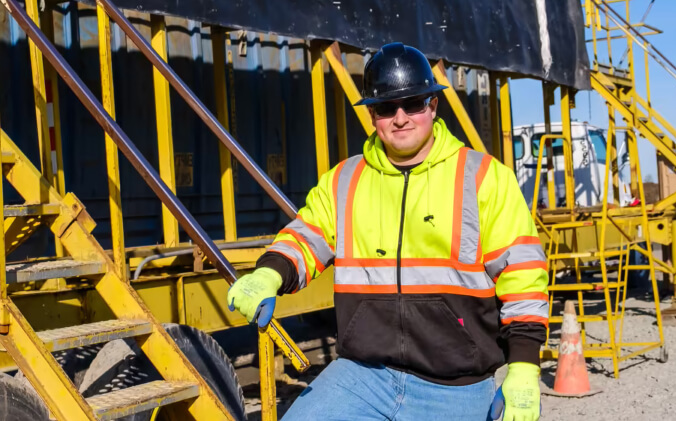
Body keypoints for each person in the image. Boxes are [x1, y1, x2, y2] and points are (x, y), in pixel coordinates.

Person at [227, 43, 547, 421]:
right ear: (372, 114)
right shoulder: (344, 180)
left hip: (454, 384)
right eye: (385, 107)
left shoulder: (484, 178)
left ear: (432, 105)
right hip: (361, 375)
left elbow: (523, 276)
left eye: (412, 103)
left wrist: (524, 365)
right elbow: (306, 237)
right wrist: (269, 273)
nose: (400, 118)